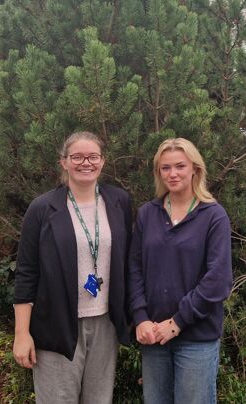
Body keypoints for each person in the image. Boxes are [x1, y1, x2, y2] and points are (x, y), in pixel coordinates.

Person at [13, 131, 132, 403]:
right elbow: (26, 273)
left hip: (105, 324)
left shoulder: (119, 202)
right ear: (64, 162)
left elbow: (127, 262)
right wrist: (21, 334)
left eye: (93, 157)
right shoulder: (42, 208)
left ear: (103, 161)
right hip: (56, 324)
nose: (85, 163)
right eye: (77, 157)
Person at [129, 137, 233, 404]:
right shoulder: (148, 214)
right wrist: (141, 317)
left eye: (180, 166)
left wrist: (177, 323)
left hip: (196, 337)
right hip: (154, 335)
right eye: (165, 168)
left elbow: (218, 280)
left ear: (195, 169)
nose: (172, 174)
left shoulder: (213, 216)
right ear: (158, 172)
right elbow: (135, 268)